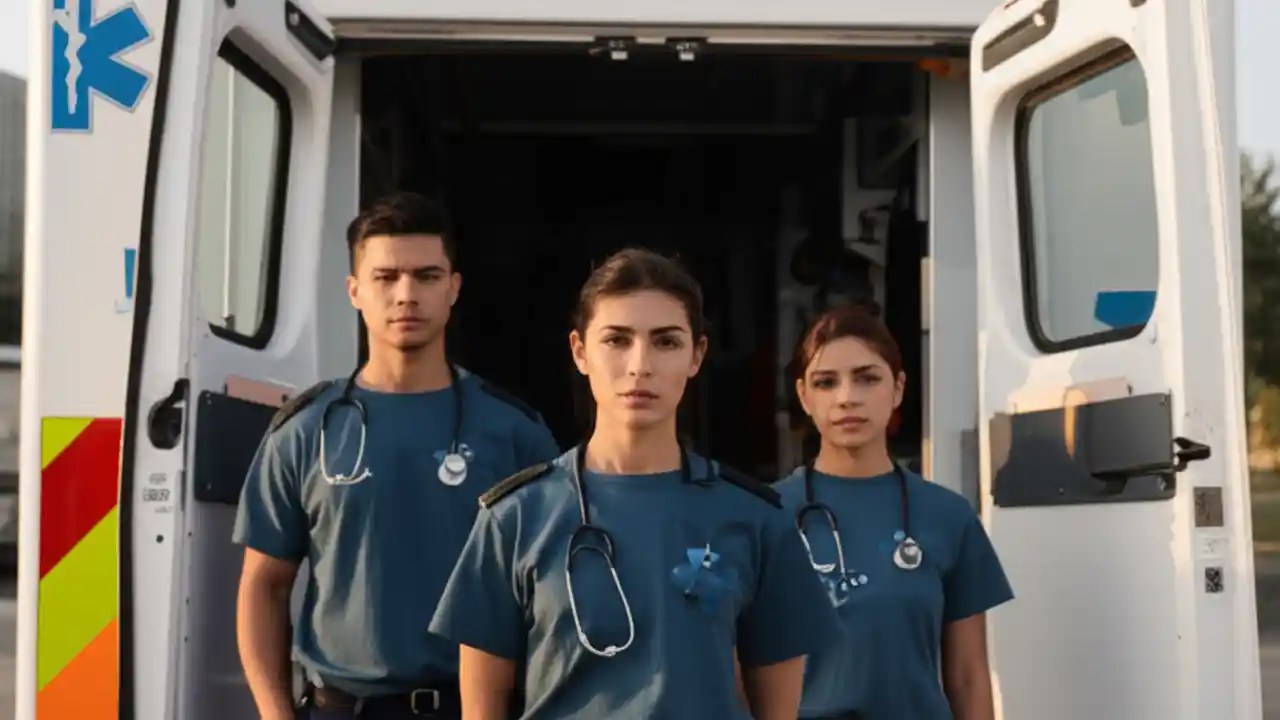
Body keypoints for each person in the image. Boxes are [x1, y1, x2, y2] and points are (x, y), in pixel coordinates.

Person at [428, 248, 837, 719]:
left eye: (665, 342)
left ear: (697, 355)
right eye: (617, 340)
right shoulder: (515, 518)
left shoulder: (756, 520)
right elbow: (481, 709)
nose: (640, 364)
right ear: (580, 352)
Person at [233, 192, 561, 720]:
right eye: (386, 278)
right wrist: (275, 714)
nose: (406, 294)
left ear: (454, 288)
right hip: (342, 707)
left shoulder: (513, 431)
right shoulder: (305, 430)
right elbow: (264, 585)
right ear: (354, 291)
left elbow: (553, 596)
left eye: (427, 276)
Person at [775, 303, 1014, 719]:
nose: (847, 397)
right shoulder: (765, 515)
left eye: (867, 378)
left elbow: (969, 676)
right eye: (827, 382)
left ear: (898, 388)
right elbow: (736, 675)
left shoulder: (947, 516)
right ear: (804, 396)